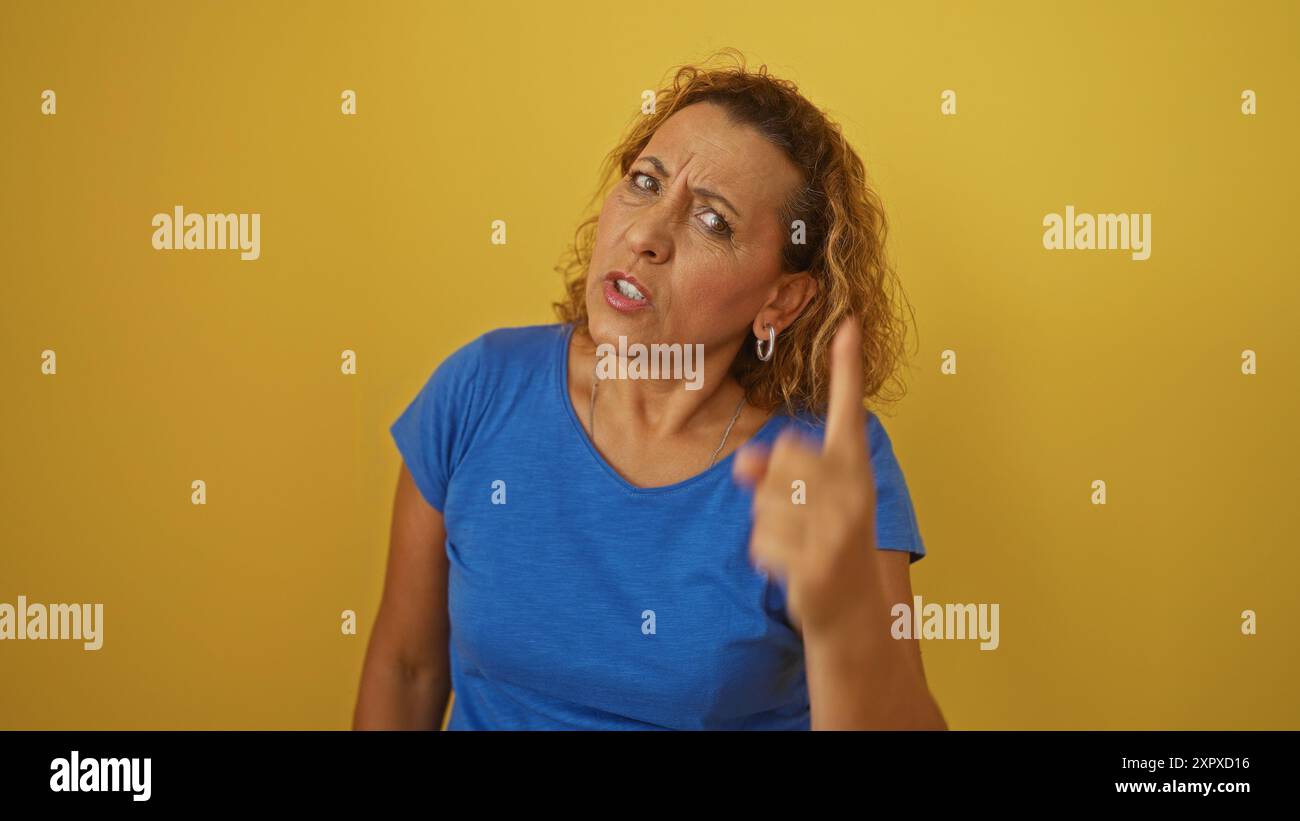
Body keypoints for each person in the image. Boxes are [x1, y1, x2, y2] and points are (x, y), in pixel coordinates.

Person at [354, 51, 945, 730]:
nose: (646, 235)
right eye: (645, 182)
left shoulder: (832, 462)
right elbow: (406, 668)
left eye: (713, 221)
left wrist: (850, 626)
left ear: (781, 299)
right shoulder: (479, 389)